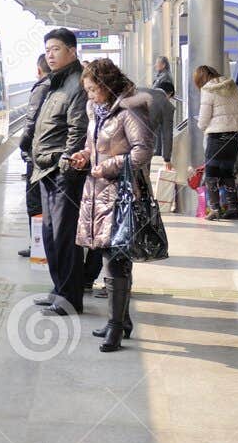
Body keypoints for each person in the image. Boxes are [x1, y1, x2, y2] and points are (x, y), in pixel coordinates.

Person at [71, 59, 154, 352]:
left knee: (116, 259)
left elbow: (143, 151)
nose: (90, 96)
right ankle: (120, 320)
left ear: (107, 85)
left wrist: (108, 166)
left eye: (94, 90)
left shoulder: (130, 109)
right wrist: (84, 156)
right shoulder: (95, 109)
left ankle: (116, 327)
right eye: (87, 90)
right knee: (110, 255)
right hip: (97, 192)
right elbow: (94, 145)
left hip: (122, 193)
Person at [29, 29, 89, 315]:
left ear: (72, 51)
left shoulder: (77, 84)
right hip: (46, 170)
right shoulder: (56, 82)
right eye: (47, 50)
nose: (50, 55)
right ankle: (59, 290)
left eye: (56, 49)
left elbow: (78, 130)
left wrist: (66, 166)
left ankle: (70, 298)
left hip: (62, 172)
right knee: (51, 235)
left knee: (65, 238)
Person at [194, 64, 238, 219]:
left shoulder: (208, 90)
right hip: (234, 135)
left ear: (201, 79)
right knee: (228, 172)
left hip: (217, 136)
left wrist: (201, 126)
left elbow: (204, 118)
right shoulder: (233, 86)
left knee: (211, 173)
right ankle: (233, 207)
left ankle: (215, 209)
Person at [16, 53, 51, 259]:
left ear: (38, 70)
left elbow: (31, 121)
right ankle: (47, 246)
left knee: (35, 202)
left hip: (37, 157)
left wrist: (23, 146)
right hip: (50, 155)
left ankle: (39, 247)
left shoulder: (41, 88)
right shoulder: (59, 85)